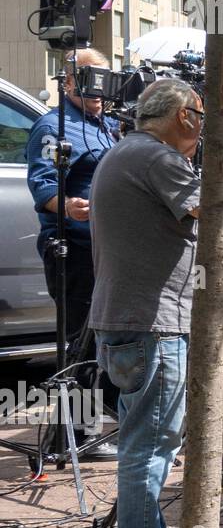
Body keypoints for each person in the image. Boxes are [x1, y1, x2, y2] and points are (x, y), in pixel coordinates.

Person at [89, 80, 223, 528]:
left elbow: (161, 243)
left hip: (133, 322)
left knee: (149, 444)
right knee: (149, 449)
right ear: (184, 116)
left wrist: (213, 269)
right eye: (202, 113)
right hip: (151, 327)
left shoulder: (129, 154)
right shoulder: (155, 158)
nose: (208, 124)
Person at [25, 48, 120, 458]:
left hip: (108, 250)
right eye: (90, 81)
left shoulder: (111, 126)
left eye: (105, 80)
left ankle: (99, 424)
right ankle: (72, 437)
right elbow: (41, 183)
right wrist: (64, 205)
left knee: (109, 340)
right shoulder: (53, 125)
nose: (99, 90)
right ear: (68, 82)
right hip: (74, 250)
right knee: (79, 343)